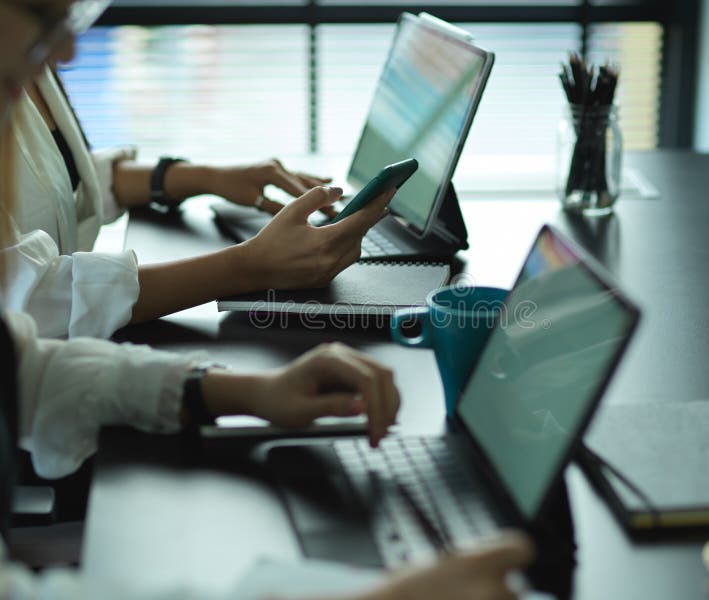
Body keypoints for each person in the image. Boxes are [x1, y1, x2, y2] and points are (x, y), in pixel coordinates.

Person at [0, 2, 534, 597]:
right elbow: (28, 294)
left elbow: (21, 365)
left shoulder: (26, 59)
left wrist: (239, 389)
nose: (71, 49)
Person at [2, 0, 393, 339]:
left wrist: (204, 177)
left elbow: (56, 179)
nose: (69, 51)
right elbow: (29, 298)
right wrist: (247, 267)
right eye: (46, 15)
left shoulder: (24, 50)